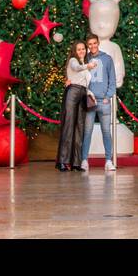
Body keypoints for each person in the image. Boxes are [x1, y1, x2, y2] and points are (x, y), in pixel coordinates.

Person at [79, 33, 117, 172]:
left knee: (106, 131)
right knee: (87, 131)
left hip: (104, 101)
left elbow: (112, 80)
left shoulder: (107, 59)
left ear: (98, 43)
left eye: (94, 43)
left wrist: (108, 96)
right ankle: (84, 160)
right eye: (90, 44)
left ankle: (108, 161)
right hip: (89, 100)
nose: (92, 46)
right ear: (87, 46)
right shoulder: (85, 59)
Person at [57, 40, 95, 171]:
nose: (81, 51)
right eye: (79, 49)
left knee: (80, 126)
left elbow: (85, 82)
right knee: (69, 126)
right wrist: (88, 66)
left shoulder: (84, 63)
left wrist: (90, 93)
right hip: (72, 92)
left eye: (83, 49)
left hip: (83, 93)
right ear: (75, 50)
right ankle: (63, 161)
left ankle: (76, 162)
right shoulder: (74, 60)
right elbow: (76, 68)